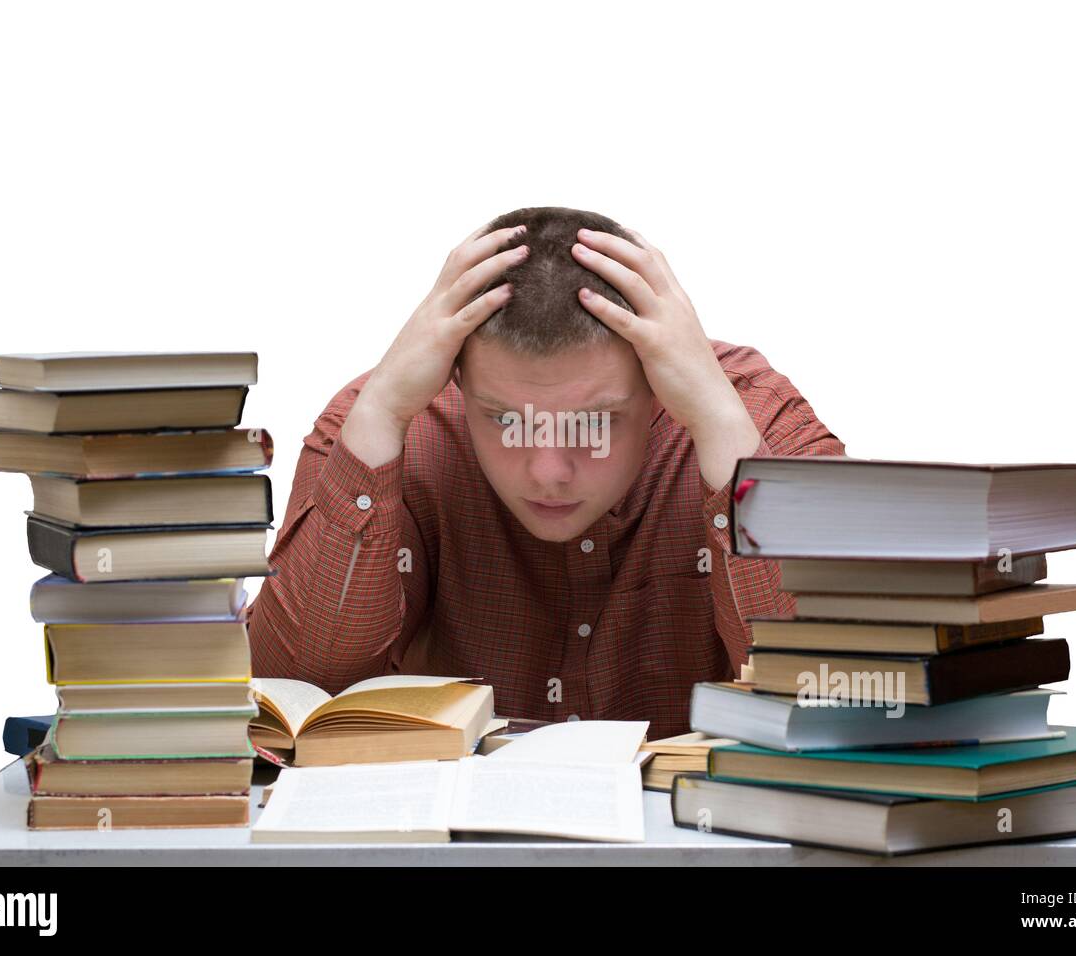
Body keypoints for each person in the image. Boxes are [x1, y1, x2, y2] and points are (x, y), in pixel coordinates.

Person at [246, 206, 845, 737]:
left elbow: (834, 696)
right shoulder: (389, 417)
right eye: (506, 420)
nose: (549, 472)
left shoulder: (751, 414)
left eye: (598, 421)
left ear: (659, 385)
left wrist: (721, 429)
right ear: (457, 378)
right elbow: (289, 697)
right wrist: (377, 415)